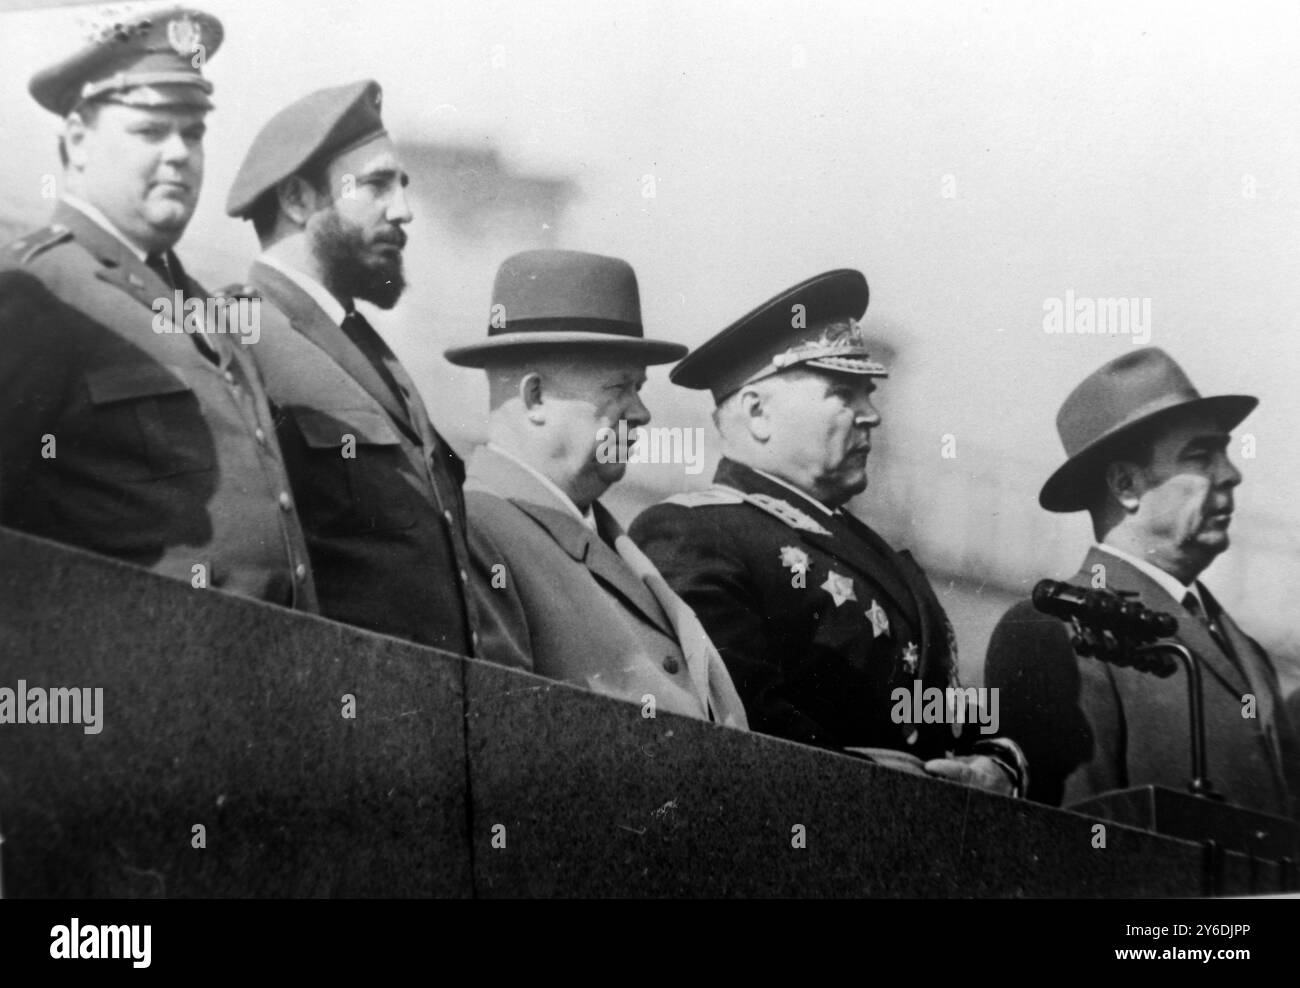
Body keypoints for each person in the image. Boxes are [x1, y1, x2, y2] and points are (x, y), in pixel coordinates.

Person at [630, 270, 1023, 794]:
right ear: (758, 412)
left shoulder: (884, 557)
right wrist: (861, 779)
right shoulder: (696, 531)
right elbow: (734, 716)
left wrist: (994, 761)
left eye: (870, 392)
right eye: (845, 392)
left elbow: (945, 707)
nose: (872, 416)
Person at [0, 6, 316, 610]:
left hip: (267, 676)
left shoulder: (203, 308)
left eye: (192, 133)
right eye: (151, 130)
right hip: (125, 679)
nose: (179, 153)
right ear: (77, 141)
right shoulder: (38, 290)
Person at [985, 348, 1300, 816]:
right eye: (1201, 456)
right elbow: (1077, 845)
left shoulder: (1247, 652)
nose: (1231, 474)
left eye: (1225, 452)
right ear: (1126, 485)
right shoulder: (1056, 631)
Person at [445, 249, 747, 726]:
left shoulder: (608, 538)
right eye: (618, 388)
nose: (642, 413)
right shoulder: (476, 529)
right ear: (536, 397)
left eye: (640, 388)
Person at [223, 80, 472, 652]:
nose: (404, 210)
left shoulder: (367, 350)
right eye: (377, 185)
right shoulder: (239, 332)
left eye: (402, 186)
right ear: (297, 200)